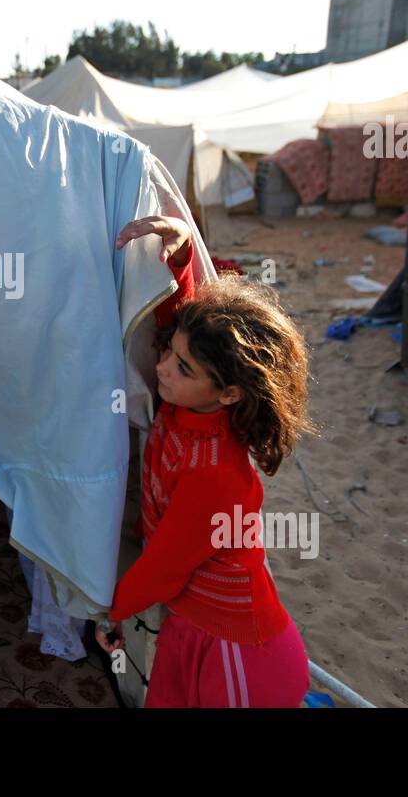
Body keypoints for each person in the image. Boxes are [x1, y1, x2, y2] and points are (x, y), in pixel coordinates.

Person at [94, 244, 313, 708]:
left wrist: (109, 613)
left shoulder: (215, 473)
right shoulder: (188, 402)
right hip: (194, 630)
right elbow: (185, 331)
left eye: (182, 367)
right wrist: (178, 260)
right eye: (170, 353)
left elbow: (164, 569)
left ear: (230, 393)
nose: (161, 367)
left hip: (238, 658)